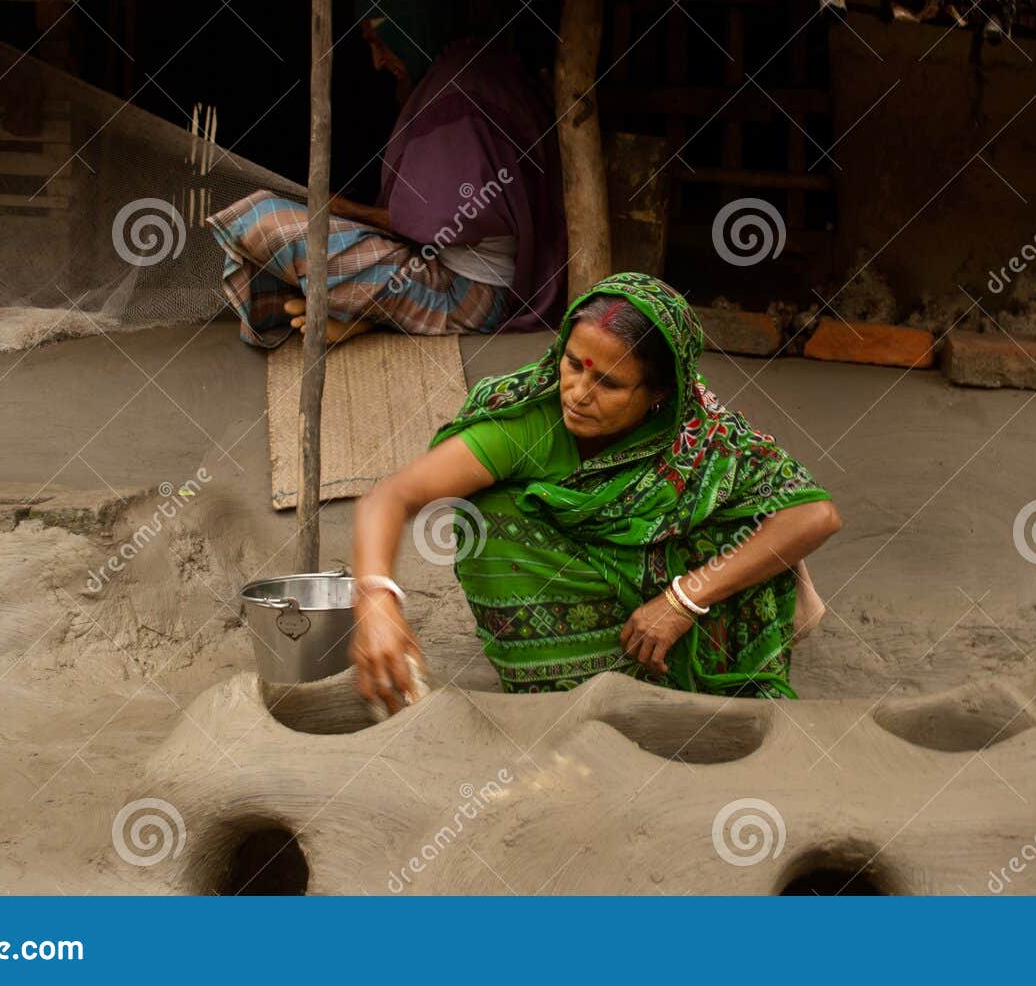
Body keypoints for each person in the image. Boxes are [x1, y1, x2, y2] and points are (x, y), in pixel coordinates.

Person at [348, 272, 842, 714]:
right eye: (573, 364)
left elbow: (815, 515)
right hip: (581, 582)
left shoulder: (702, 436)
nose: (578, 393)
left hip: (681, 608)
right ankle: (563, 671)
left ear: (660, 395)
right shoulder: (532, 424)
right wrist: (375, 603)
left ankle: (688, 672)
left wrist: (685, 599)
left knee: (743, 522)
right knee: (490, 513)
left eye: (609, 382)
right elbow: (390, 498)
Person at [209, 0, 566, 348]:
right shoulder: (465, 72)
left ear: (410, 23)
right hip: (444, 272)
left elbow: (447, 223)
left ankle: (363, 317)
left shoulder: (461, 91)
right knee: (285, 236)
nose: (378, 61)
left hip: (472, 295)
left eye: (378, 41)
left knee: (261, 220)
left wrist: (349, 210)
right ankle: (362, 317)